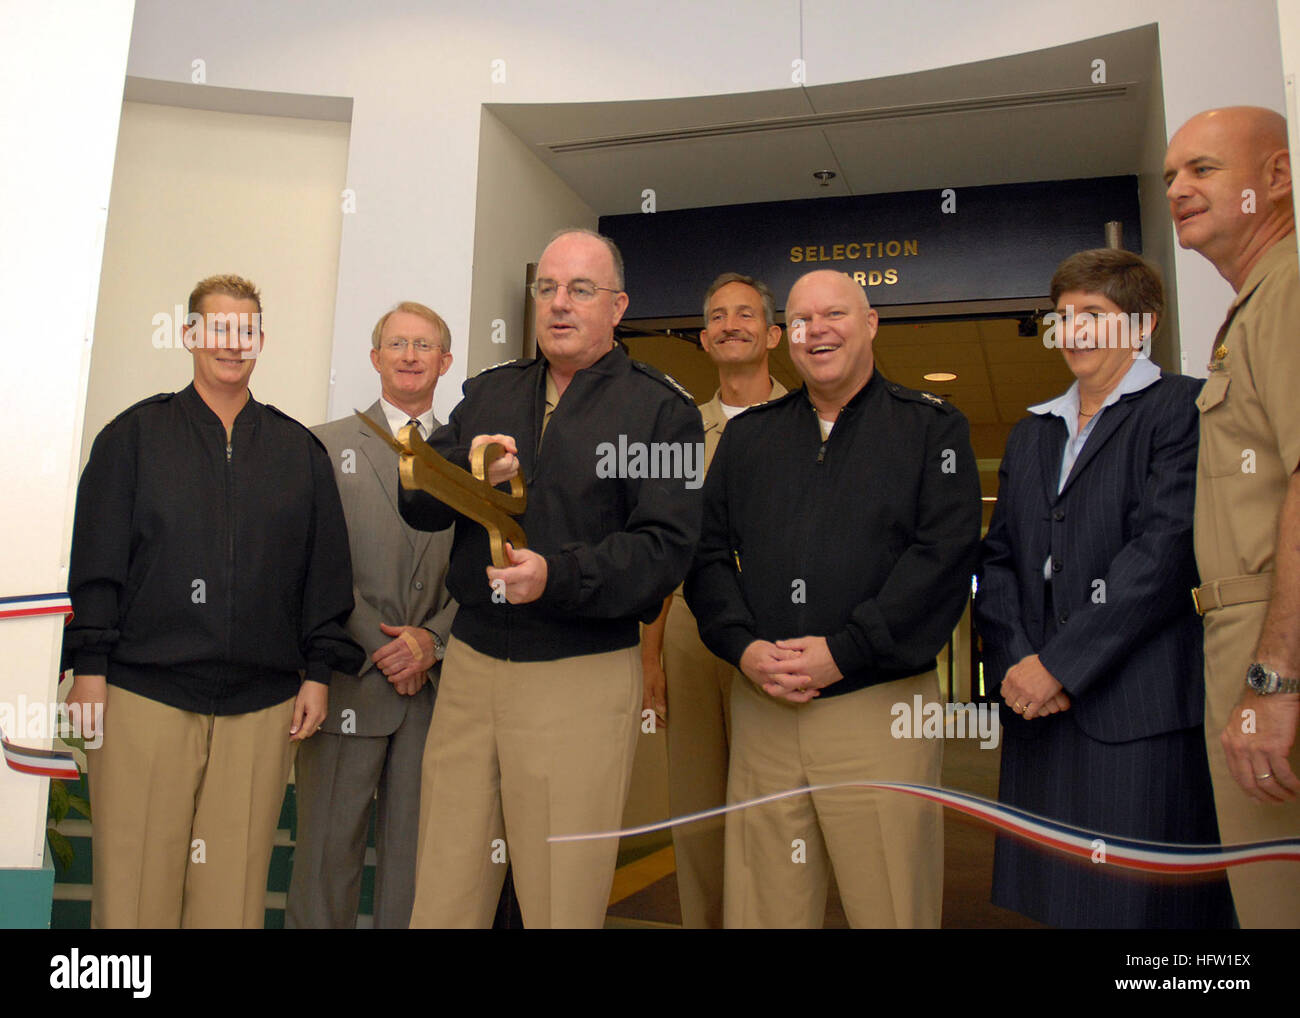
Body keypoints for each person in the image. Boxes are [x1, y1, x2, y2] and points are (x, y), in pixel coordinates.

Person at [399, 228, 704, 928]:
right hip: (472, 668)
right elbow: (414, 501)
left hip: (581, 673)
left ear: (618, 306)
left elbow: (663, 550)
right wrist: (469, 473)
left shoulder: (662, 413)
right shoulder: (489, 394)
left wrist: (558, 576)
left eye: (581, 290)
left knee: (560, 900)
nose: (559, 304)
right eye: (548, 289)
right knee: (445, 891)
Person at [62, 273, 363, 928]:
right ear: (190, 335)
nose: (233, 343)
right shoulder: (133, 439)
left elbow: (324, 574)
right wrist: (88, 669)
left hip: (261, 706)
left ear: (260, 340)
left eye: (246, 329)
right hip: (144, 695)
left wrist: (317, 673)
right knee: (135, 893)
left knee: (231, 899)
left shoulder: (298, 451)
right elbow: (96, 564)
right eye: (219, 328)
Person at [686, 269, 981, 928]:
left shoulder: (931, 430)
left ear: (871, 323)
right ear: (785, 337)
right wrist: (743, 647)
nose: (818, 331)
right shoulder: (750, 438)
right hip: (763, 708)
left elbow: (942, 559)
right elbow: (704, 557)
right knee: (763, 906)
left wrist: (847, 651)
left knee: (889, 903)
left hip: (878, 709)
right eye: (803, 320)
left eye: (836, 315)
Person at [974, 249, 1233, 928]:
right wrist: (1017, 665)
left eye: (1094, 314)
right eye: (1063, 317)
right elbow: (998, 559)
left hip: (1135, 716)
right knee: (1058, 903)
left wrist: (1059, 665)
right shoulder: (1032, 432)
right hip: (1039, 719)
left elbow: (1161, 556)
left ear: (1143, 325)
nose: (1073, 331)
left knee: (1140, 912)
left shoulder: (1183, 406)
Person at [1165, 106, 1300, 927]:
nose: (1179, 187)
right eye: (1174, 172)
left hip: (1270, 639)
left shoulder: (1286, 290)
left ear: (1275, 180)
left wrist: (1276, 678)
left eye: (1204, 169)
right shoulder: (1257, 300)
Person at [286, 301, 457, 929]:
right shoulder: (324, 446)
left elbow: (487, 564)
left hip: (435, 693)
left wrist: (431, 641)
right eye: (396, 344)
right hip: (347, 682)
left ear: (445, 360)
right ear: (375, 356)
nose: (410, 355)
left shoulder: (472, 456)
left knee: (418, 867)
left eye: (424, 345)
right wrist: (380, 643)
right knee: (326, 862)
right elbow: (306, 563)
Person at [639, 272, 787, 929]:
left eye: (746, 314)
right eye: (718, 316)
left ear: (773, 334)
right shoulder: (677, 434)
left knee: (773, 807)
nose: (731, 324)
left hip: (780, 635)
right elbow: (656, 553)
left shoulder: (811, 425)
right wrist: (650, 660)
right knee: (698, 807)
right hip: (691, 637)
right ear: (703, 339)